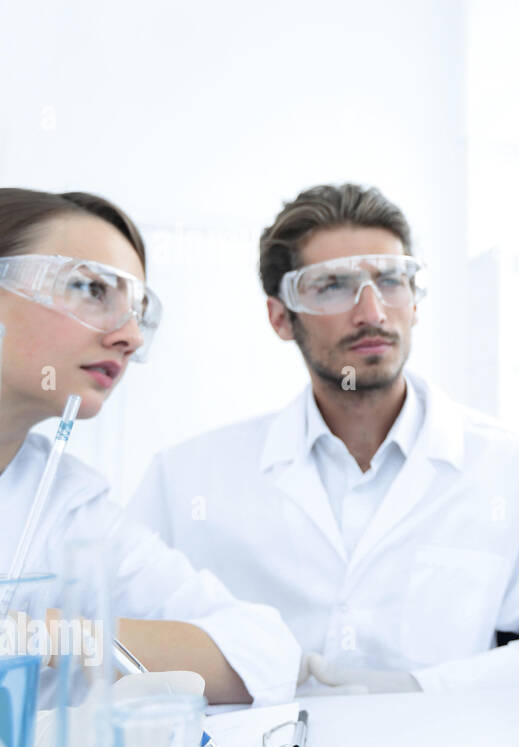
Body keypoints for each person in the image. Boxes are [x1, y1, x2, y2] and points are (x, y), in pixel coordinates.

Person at [127, 183, 519, 694]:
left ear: (415, 301)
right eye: (332, 285)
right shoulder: (187, 477)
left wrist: (424, 689)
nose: (372, 312)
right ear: (281, 317)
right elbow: (110, 638)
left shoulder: (510, 468)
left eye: (392, 281)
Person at [0, 188, 299, 706]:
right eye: (91, 290)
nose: (131, 336)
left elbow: (263, 651)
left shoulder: (70, 506)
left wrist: (41, 635)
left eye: (138, 310)